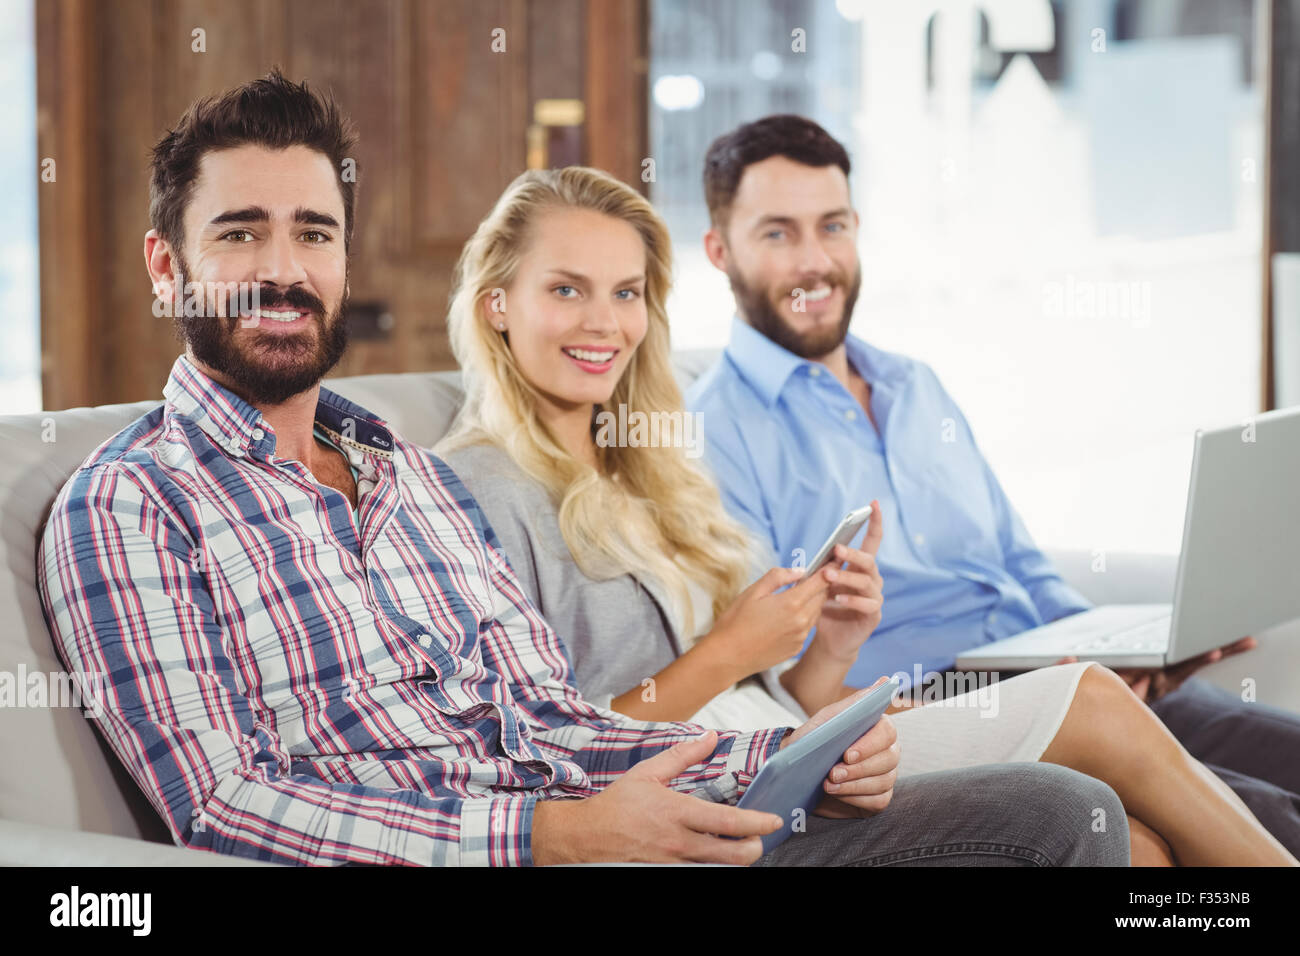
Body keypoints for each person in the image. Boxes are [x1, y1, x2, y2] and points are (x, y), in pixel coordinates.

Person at [34, 71, 1131, 868]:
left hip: (621, 827)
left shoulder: (403, 475)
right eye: (240, 234)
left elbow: (552, 718)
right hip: (511, 853)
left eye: (313, 233)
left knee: (1056, 810)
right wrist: (552, 835)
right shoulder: (130, 501)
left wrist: (766, 759)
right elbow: (220, 803)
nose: (283, 268)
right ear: (167, 265)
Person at [436, 163, 1295, 866]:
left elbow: (778, 690)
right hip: (698, 787)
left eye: (627, 294)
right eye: (567, 290)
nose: (604, 323)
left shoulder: (650, 463)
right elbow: (538, 751)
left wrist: (833, 644)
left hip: (790, 739)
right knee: (1095, 704)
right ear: (497, 305)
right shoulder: (470, 491)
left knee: (1138, 845)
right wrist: (729, 650)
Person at [683, 113, 1300, 857]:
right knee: (1260, 812)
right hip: (934, 700)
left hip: (1057, 671)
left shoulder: (915, 385)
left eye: (833, 226)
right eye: (778, 233)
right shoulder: (713, 432)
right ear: (720, 250)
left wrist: (1121, 651)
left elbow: (1019, 559)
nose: (815, 261)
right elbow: (774, 675)